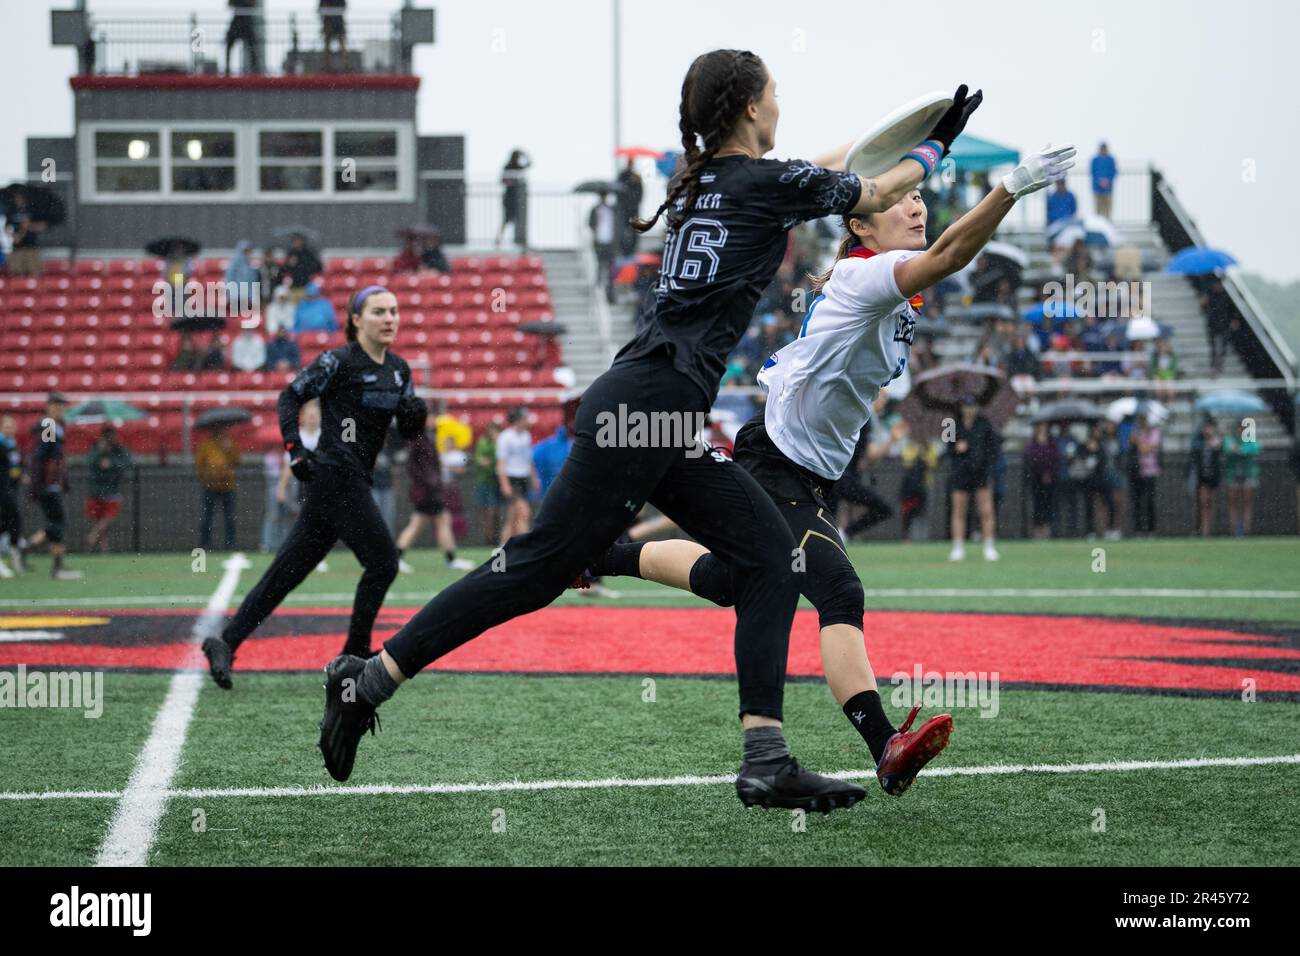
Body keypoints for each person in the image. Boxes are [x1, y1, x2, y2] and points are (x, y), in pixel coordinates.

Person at [317, 53, 988, 811]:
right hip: (652, 404)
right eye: (772, 96)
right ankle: (365, 683)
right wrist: (938, 144)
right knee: (541, 569)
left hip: (652, 405)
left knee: (765, 559)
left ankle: (765, 759)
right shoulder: (761, 184)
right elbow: (878, 184)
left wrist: (900, 141)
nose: (779, 106)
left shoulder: (707, 179)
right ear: (746, 109)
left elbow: (834, 166)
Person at [586, 117, 1073, 790]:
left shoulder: (877, 277)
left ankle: (602, 554)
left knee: (736, 582)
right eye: (900, 200)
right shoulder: (867, 278)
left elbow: (908, 221)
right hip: (778, 463)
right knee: (838, 588)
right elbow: (955, 252)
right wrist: (1013, 188)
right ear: (862, 227)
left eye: (921, 197)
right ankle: (884, 745)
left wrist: (931, 142)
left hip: (808, 471)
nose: (915, 205)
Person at [202, 286, 425, 689]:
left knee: (288, 571)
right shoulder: (336, 361)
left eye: (394, 310)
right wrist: (294, 449)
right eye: (379, 312)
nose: (390, 318)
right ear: (356, 320)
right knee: (384, 562)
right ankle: (354, 654)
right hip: (336, 476)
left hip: (348, 480)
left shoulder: (400, 370)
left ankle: (225, 641)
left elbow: (407, 433)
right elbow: (290, 396)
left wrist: (415, 418)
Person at [396, 408, 475, 573]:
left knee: (436, 521)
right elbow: (420, 468)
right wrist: (432, 485)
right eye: (430, 417)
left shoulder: (424, 438)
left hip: (427, 490)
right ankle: (397, 558)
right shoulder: (420, 439)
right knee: (422, 524)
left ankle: (450, 559)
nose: (434, 420)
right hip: (428, 492)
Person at [26, 394, 81, 579]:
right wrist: (39, 482)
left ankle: (50, 563)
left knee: (56, 524)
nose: (60, 409)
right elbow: (43, 454)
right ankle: (27, 548)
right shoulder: (49, 425)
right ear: (49, 406)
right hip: (48, 485)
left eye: (62, 406)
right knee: (58, 524)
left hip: (52, 484)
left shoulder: (57, 426)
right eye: (57, 405)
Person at [948, 395, 1004, 561]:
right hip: (960, 473)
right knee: (959, 511)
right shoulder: (951, 424)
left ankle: (989, 546)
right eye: (966, 406)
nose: (969, 410)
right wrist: (956, 448)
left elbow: (993, 448)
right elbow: (947, 449)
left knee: (986, 510)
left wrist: (983, 461)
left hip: (980, 472)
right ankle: (958, 547)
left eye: (972, 406)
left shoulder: (985, 424)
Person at [85, 426, 132, 553]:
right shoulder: (96, 449)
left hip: (112, 491)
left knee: (107, 520)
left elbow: (127, 462)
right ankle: (104, 549)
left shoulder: (119, 450)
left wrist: (112, 462)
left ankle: (92, 537)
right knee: (99, 523)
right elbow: (88, 462)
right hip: (96, 491)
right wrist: (100, 452)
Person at [495, 407, 538, 545]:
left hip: (523, 478)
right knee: (524, 513)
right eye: (525, 419)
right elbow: (501, 463)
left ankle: (502, 547)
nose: (528, 422)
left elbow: (528, 460)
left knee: (512, 517)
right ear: (518, 420)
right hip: (511, 479)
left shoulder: (526, 436)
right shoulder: (505, 437)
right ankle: (525, 547)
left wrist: (534, 477)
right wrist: (504, 484)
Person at [195, 422, 240, 550]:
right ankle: (205, 544)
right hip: (210, 486)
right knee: (207, 517)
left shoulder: (229, 443)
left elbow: (237, 461)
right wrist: (206, 477)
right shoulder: (206, 444)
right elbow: (199, 464)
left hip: (228, 485)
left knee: (230, 517)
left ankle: (230, 544)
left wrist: (229, 449)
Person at [0, 415, 27, 576]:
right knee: (12, 519)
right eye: (7, 425)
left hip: (11, 489)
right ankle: (13, 555)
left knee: (10, 521)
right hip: (3, 490)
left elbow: (14, 467)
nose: (10, 428)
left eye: (12, 425)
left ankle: (14, 555)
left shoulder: (12, 445)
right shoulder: (2, 445)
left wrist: (21, 474)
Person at [1189, 417, 1223, 537]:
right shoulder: (1198, 441)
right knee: (1203, 503)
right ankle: (1203, 530)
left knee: (1211, 503)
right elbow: (1193, 454)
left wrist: (1217, 445)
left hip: (1214, 476)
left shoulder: (1218, 441)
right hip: (1201, 476)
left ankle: (1209, 529)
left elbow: (1222, 453)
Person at [1023, 421, 1058, 539]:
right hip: (1035, 479)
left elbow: (1054, 458)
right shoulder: (1032, 444)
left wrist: (1048, 473)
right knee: (1037, 505)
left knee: (1048, 504)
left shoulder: (1051, 443)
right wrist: (1040, 472)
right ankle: (1037, 529)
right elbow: (1031, 459)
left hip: (1050, 480)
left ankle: (1047, 530)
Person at [1223, 424, 1259, 536]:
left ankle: (1246, 529)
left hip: (1247, 475)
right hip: (1233, 475)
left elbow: (1255, 448)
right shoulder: (1230, 439)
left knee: (1247, 503)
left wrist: (1240, 450)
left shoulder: (1249, 440)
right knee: (1233, 503)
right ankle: (1234, 529)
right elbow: (1227, 449)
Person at [1130, 413, 1161, 536]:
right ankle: (1138, 530)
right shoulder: (1137, 432)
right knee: (1137, 501)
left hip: (1150, 471)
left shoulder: (1154, 432)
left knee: (1149, 501)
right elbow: (1132, 445)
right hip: (1137, 471)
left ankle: (1150, 530)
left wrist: (1138, 441)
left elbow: (1145, 449)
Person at [4, 188, 46, 277]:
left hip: (31, 247)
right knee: (16, 273)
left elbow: (43, 225)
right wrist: (14, 235)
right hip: (17, 248)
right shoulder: (11, 211)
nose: (18, 200)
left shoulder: (33, 211)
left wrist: (30, 226)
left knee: (32, 272)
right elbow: (7, 227)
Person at [472, 420, 502, 543]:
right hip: (484, 481)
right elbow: (480, 460)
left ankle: (495, 537)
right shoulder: (483, 442)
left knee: (494, 510)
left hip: (496, 482)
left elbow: (498, 459)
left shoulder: (500, 443)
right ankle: (487, 537)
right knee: (484, 510)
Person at [497, 149, 530, 250]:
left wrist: (525, 154)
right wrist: (511, 182)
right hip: (509, 196)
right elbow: (502, 180)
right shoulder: (508, 166)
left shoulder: (517, 166)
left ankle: (520, 241)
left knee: (518, 219)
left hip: (517, 197)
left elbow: (530, 164)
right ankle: (499, 240)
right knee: (506, 219)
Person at [589, 193, 617, 303]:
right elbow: (590, 223)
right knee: (600, 266)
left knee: (611, 269)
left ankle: (609, 294)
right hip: (600, 242)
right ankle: (598, 288)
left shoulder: (612, 210)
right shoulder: (595, 210)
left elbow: (616, 225)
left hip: (610, 243)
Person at [531, 422, 573, 497]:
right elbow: (532, 459)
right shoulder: (547, 445)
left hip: (560, 481)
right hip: (546, 480)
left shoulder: (569, 444)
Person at [225, 0, 262, 75]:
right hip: (238, 21)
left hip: (246, 21)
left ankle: (255, 69)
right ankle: (227, 68)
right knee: (229, 43)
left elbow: (253, 4)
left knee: (252, 45)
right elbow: (230, 3)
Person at [283, 233, 323, 300]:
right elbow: (285, 270)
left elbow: (318, 267)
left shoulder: (309, 253)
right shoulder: (291, 253)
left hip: (307, 286)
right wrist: (289, 265)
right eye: (294, 241)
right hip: (294, 287)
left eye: (297, 240)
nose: (295, 242)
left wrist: (309, 269)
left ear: (302, 241)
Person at [616, 158, 644, 256]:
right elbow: (619, 191)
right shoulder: (622, 176)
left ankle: (632, 249)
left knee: (634, 230)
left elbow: (640, 193)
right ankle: (624, 250)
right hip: (624, 209)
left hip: (633, 208)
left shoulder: (636, 177)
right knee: (623, 230)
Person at [1090, 142, 1117, 218]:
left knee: (1107, 211)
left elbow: (1113, 172)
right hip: (1097, 189)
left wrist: (1107, 181)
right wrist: (1099, 181)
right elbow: (1093, 172)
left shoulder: (1111, 160)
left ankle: (1106, 226)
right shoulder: (1095, 160)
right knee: (1097, 211)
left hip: (1108, 189)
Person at [320, 0, 347, 71]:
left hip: (338, 25)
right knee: (327, 48)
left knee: (342, 47)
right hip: (329, 25)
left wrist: (329, 11)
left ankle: (344, 65)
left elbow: (343, 7)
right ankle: (326, 65)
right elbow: (320, 9)